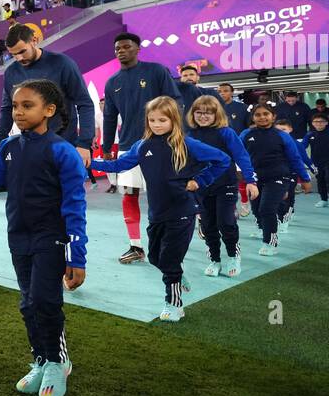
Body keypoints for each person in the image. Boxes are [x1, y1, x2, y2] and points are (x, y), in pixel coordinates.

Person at [0, 80, 86, 396]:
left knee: (45, 301)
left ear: (49, 110)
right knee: (27, 303)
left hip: (51, 239)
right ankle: (40, 359)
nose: (18, 113)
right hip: (18, 238)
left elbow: (75, 206)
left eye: (28, 106)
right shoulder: (9, 148)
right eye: (15, 107)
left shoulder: (62, 152)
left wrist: (76, 256)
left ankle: (57, 361)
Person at [91, 98, 231, 322]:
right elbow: (118, 165)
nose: (156, 124)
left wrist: (200, 181)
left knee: (169, 261)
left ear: (173, 120)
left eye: (162, 120)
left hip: (183, 209)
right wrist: (89, 163)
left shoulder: (187, 144)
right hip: (157, 212)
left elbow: (222, 160)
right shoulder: (142, 145)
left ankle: (174, 304)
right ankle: (176, 274)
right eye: (152, 120)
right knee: (156, 257)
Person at [101, 32, 180, 265]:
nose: (121, 51)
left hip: (159, 145)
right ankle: (136, 246)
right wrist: (107, 147)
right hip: (128, 147)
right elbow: (109, 116)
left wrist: (175, 136)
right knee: (129, 194)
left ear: (138, 49)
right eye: (117, 48)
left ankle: (168, 240)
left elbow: (175, 101)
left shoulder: (156, 71)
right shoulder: (112, 82)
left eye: (126, 47)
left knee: (164, 195)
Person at [0, 24, 94, 165]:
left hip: (64, 146)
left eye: (22, 51)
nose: (18, 58)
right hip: (31, 149)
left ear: (34, 40)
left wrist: (84, 143)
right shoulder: (11, 72)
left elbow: (84, 103)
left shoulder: (62, 64)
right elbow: (6, 109)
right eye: (13, 54)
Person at [187, 96, 256, 278]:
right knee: (208, 226)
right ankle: (215, 259)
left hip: (225, 184)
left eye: (208, 112)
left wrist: (250, 180)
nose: (203, 116)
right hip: (201, 187)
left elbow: (241, 156)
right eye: (199, 112)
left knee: (225, 222)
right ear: (193, 114)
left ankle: (233, 255)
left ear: (216, 114)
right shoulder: (189, 135)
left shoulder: (226, 132)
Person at [240, 104, 311, 256]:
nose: (262, 117)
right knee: (257, 209)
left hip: (278, 178)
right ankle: (263, 229)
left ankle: (270, 242)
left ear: (273, 116)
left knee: (267, 209)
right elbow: (237, 154)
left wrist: (305, 178)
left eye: (266, 114)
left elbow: (295, 158)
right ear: (253, 117)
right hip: (254, 180)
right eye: (258, 115)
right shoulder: (246, 134)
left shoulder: (282, 135)